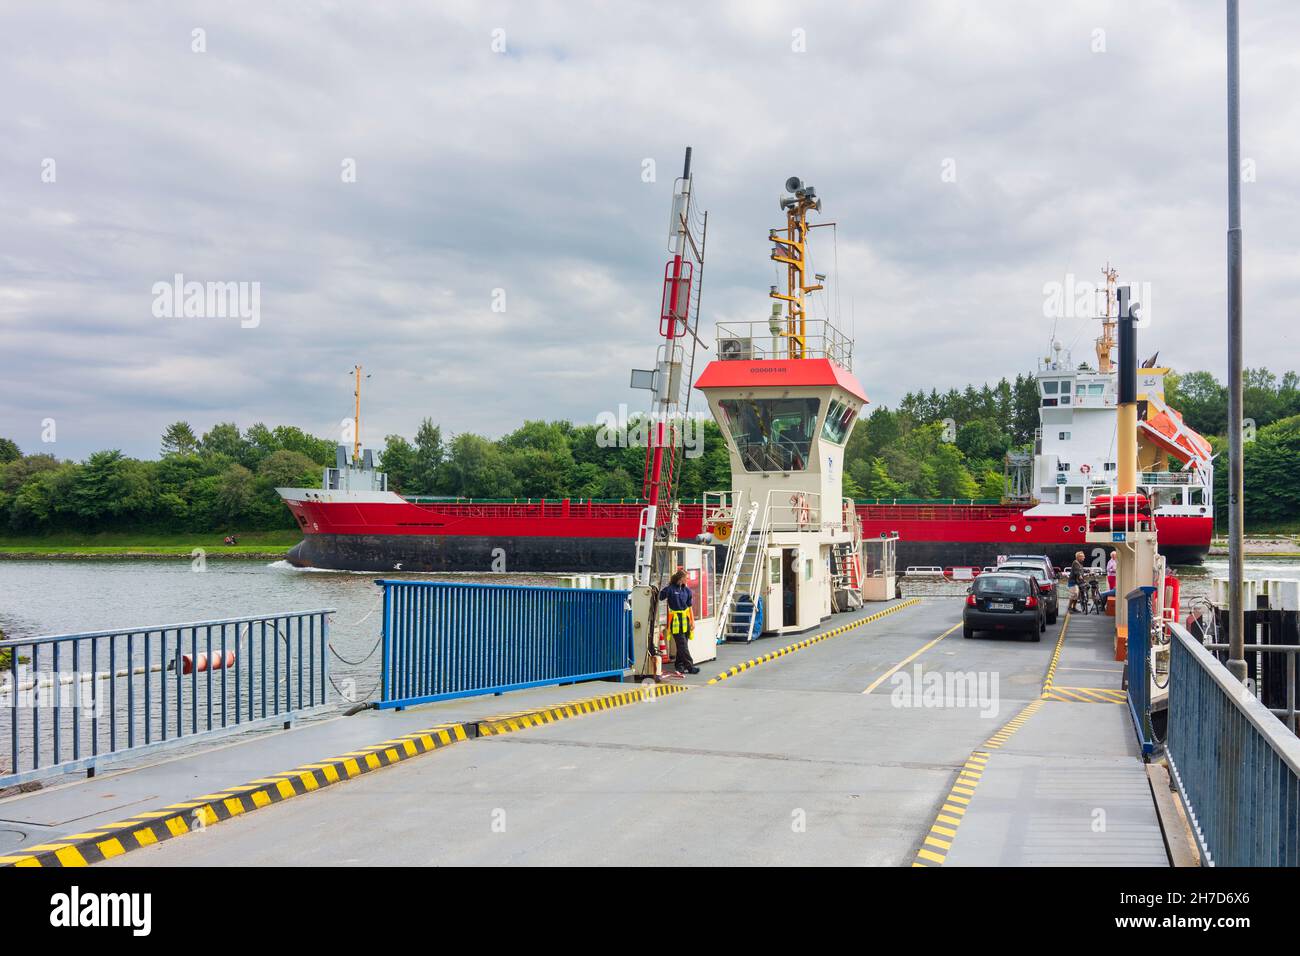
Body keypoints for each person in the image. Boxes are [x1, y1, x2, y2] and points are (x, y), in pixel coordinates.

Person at [660, 569, 700, 675]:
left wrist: (692, 621)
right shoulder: (670, 589)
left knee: (683, 644)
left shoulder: (687, 591)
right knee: (682, 644)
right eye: (686, 578)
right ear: (681, 578)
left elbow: (690, 607)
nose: (687, 580)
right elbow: (660, 597)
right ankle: (690, 667)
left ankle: (679, 666)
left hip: (685, 620)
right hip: (675, 621)